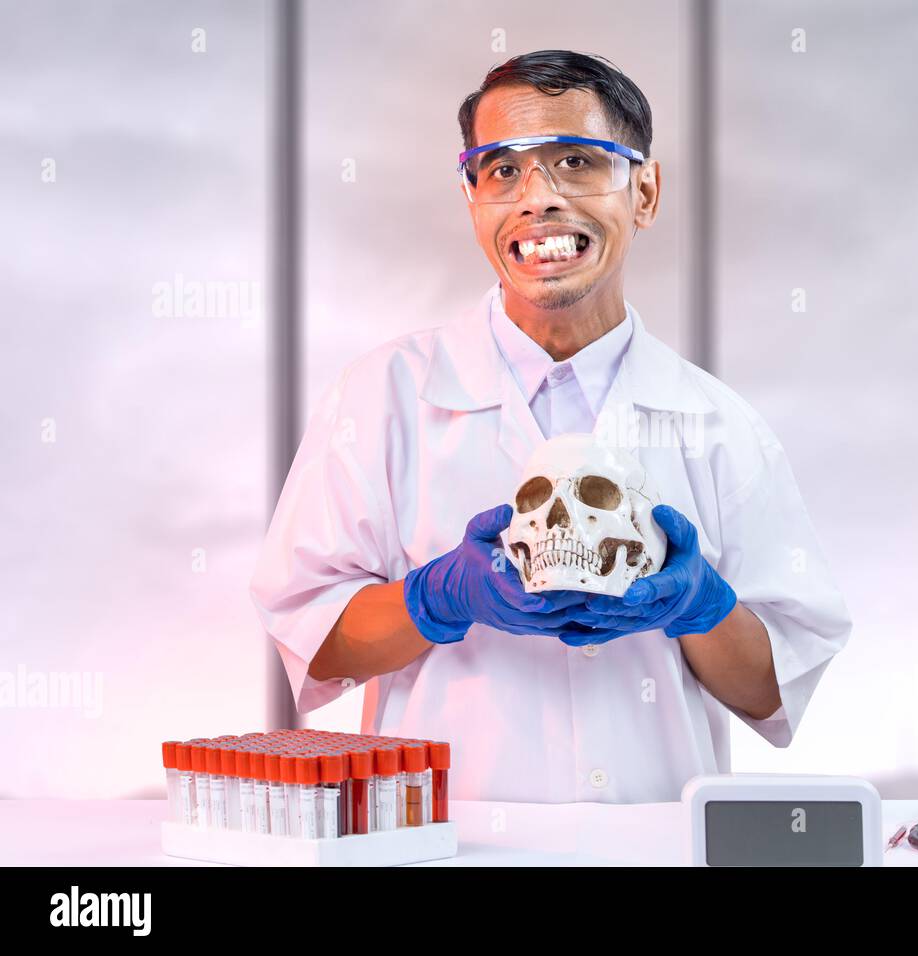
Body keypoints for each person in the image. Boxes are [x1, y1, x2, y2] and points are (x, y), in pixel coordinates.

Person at [250, 50, 852, 803]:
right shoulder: (381, 399)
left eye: (576, 160)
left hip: (651, 847)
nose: (538, 199)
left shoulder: (719, 425)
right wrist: (436, 599)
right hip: (444, 846)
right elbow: (318, 643)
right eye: (502, 170)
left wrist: (702, 606)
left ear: (646, 190)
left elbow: (771, 688)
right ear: (471, 197)